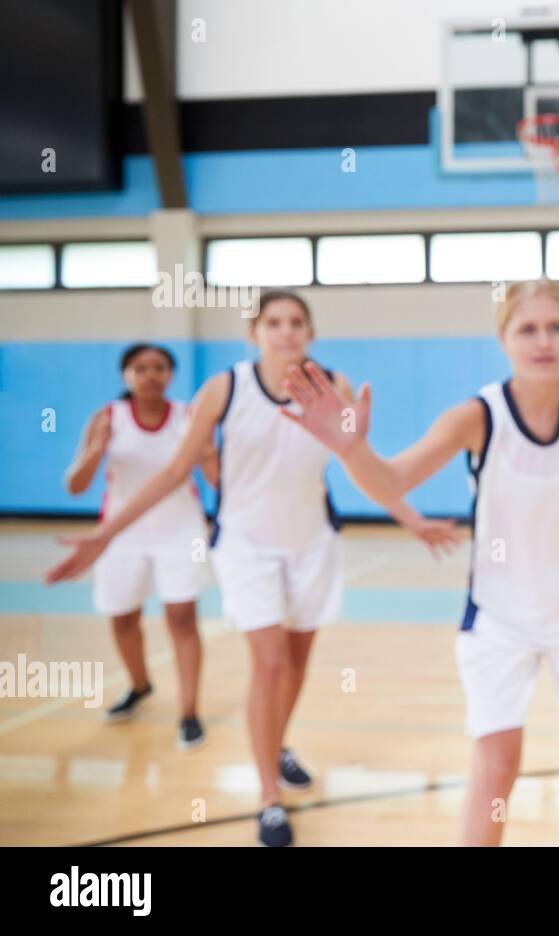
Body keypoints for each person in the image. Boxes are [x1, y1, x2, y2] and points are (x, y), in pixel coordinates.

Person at [282, 278, 559, 845]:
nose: (543, 341)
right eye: (527, 328)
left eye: (556, 327)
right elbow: (392, 480)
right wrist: (351, 449)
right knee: (495, 765)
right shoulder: (477, 416)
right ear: (503, 338)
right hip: (499, 617)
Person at [46, 291, 384, 847]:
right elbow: (176, 471)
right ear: (254, 333)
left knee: (297, 663)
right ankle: (268, 799)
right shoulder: (225, 389)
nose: (286, 331)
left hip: (311, 540)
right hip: (245, 544)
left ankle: (276, 745)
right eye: (273, 322)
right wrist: (106, 534)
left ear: (311, 332)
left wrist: (367, 453)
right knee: (270, 663)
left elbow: (359, 461)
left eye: (297, 322)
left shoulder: (335, 386)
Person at [64, 343, 216, 748]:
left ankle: (189, 712)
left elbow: (219, 480)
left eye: (160, 367)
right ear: (125, 375)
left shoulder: (190, 417)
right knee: (122, 618)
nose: (150, 374)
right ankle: (139, 685)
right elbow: (76, 486)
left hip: (181, 530)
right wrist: (95, 452)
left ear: (171, 374)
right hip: (120, 534)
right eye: (140, 367)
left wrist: (209, 456)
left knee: (182, 617)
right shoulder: (107, 419)